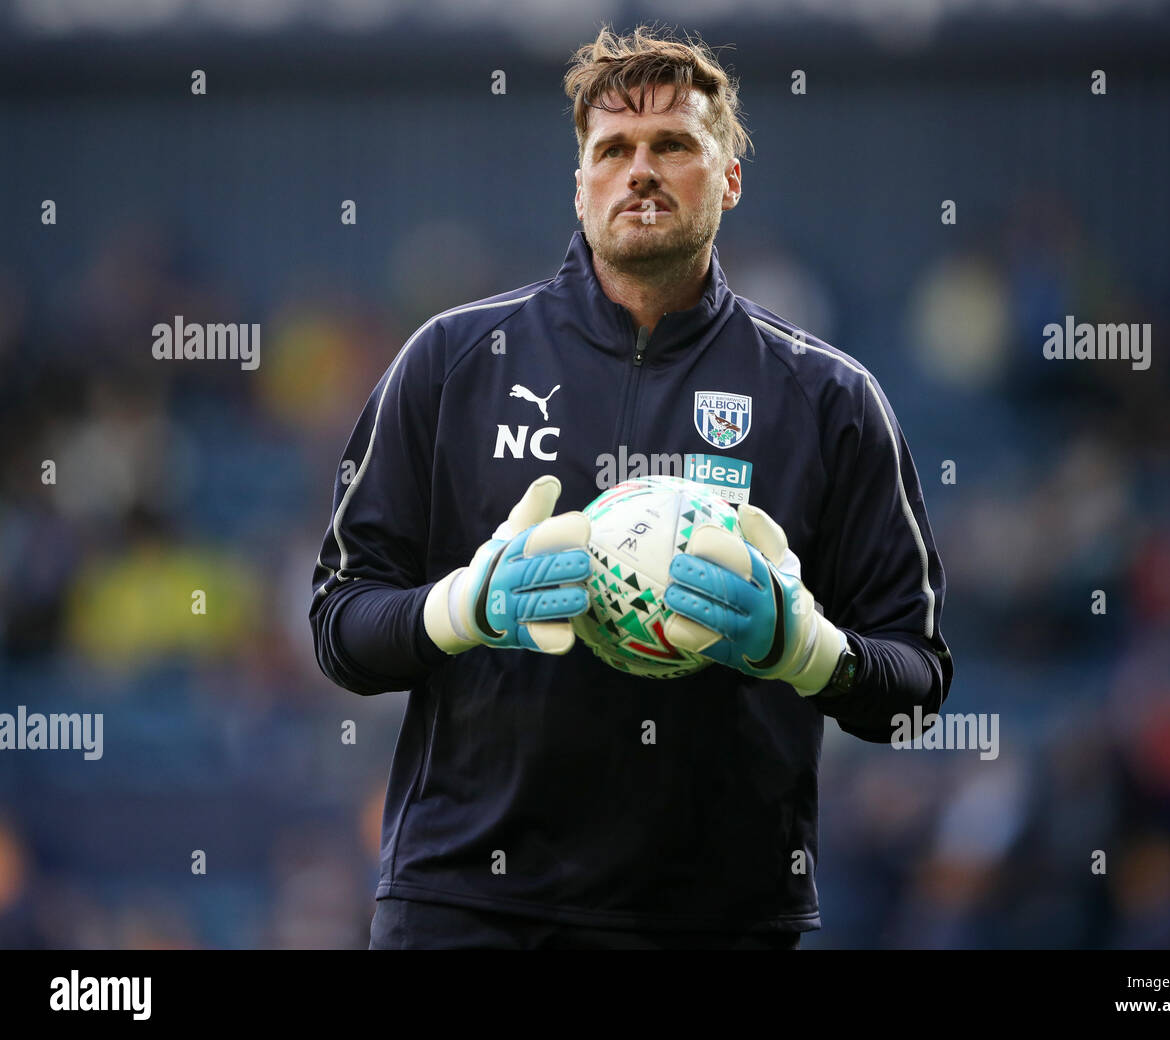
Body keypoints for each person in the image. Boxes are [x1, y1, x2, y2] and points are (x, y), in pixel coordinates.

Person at [309, 24, 953, 950]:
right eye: (611, 149)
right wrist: (466, 605)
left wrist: (803, 648)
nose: (638, 170)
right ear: (580, 186)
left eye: (674, 146)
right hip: (467, 906)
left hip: (719, 918)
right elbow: (340, 628)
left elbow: (917, 683)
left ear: (728, 177)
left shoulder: (829, 397)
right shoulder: (452, 362)